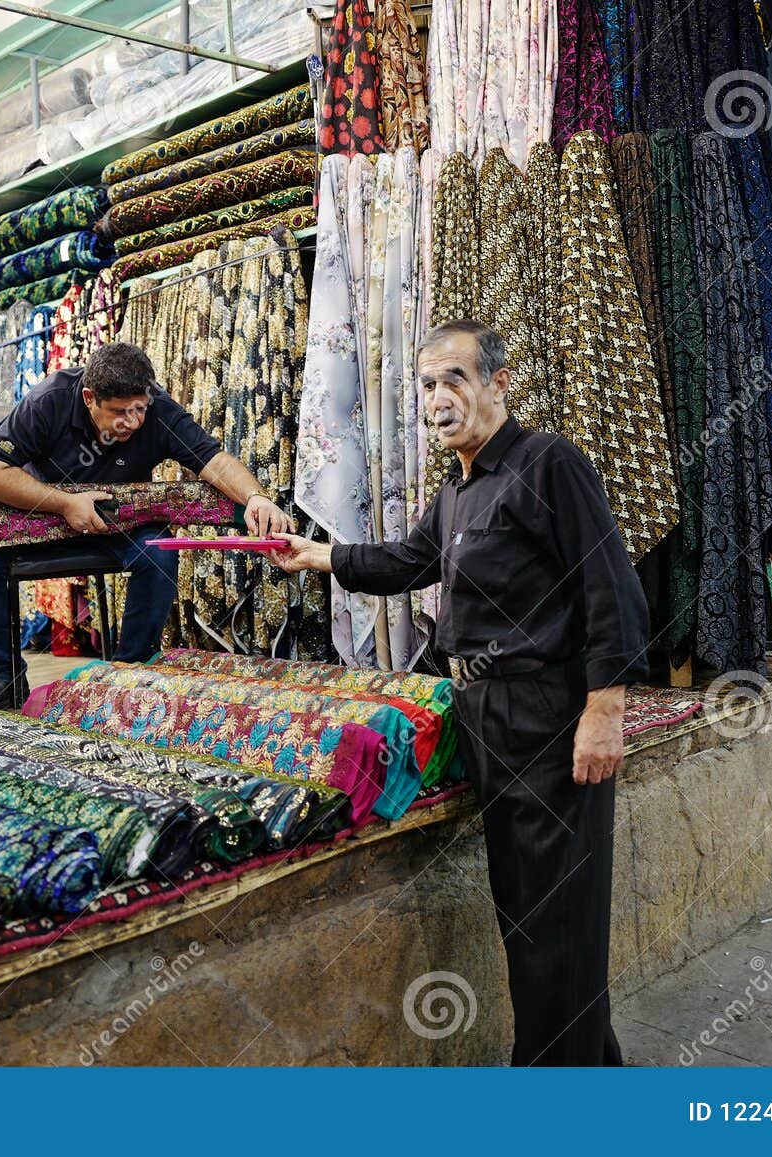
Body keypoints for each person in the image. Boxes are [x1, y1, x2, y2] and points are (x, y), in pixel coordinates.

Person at [269, 319, 649, 1066]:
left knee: (556, 925)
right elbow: (407, 560)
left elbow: (613, 590)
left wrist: (604, 712)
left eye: (455, 379)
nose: (438, 398)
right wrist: (320, 554)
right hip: (484, 719)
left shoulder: (549, 465)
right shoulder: (459, 490)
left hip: (545, 718)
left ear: (499, 384)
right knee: (529, 919)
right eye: (427, 384)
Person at [0, 341, 293, 707]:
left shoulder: (158, 408)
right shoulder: (48, 401)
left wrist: (255, 496)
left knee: (159, 551)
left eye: (139, 409)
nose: (132, 422)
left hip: (121, 526)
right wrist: (66, 503)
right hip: (46, 519)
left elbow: (212, 460)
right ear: (89, 397)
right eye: (119, 412)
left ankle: (129, 672)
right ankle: (4, 678)